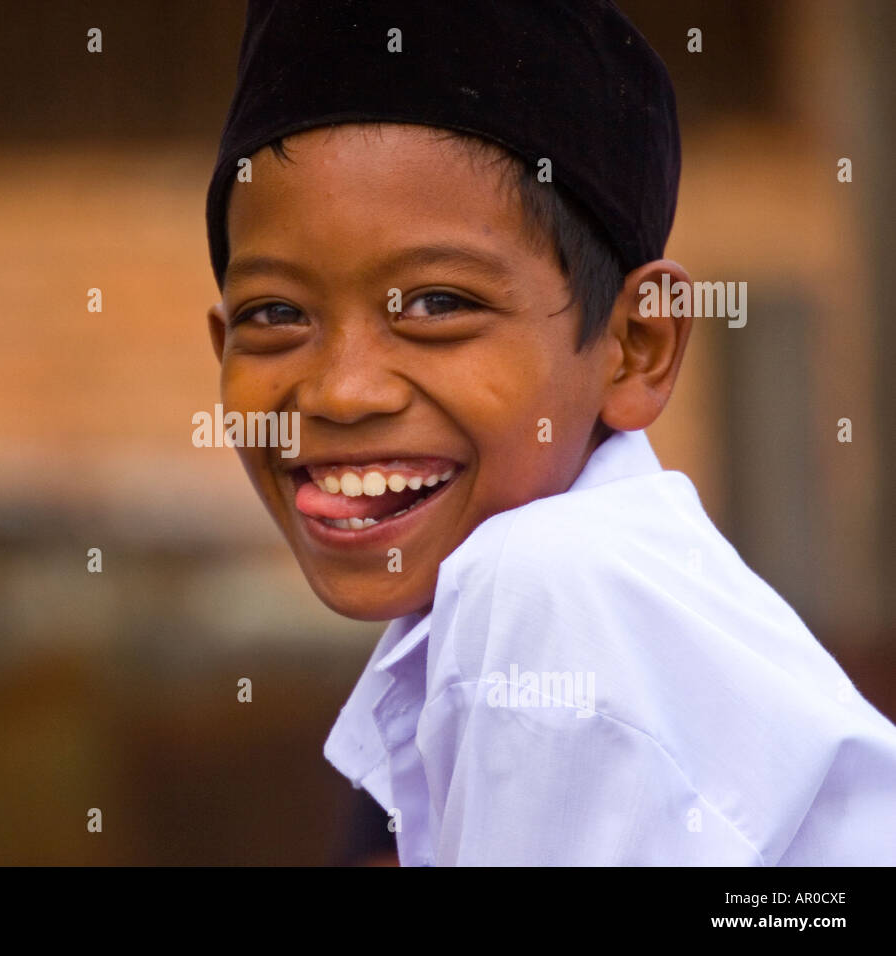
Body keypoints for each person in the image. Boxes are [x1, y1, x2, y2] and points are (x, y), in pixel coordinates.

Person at [202, 0, 896, 865]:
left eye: (438, 304)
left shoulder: (546, 584)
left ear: (636, 346)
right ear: (222, 344)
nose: (343, 392)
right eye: (276, 314)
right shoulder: (545, 594)